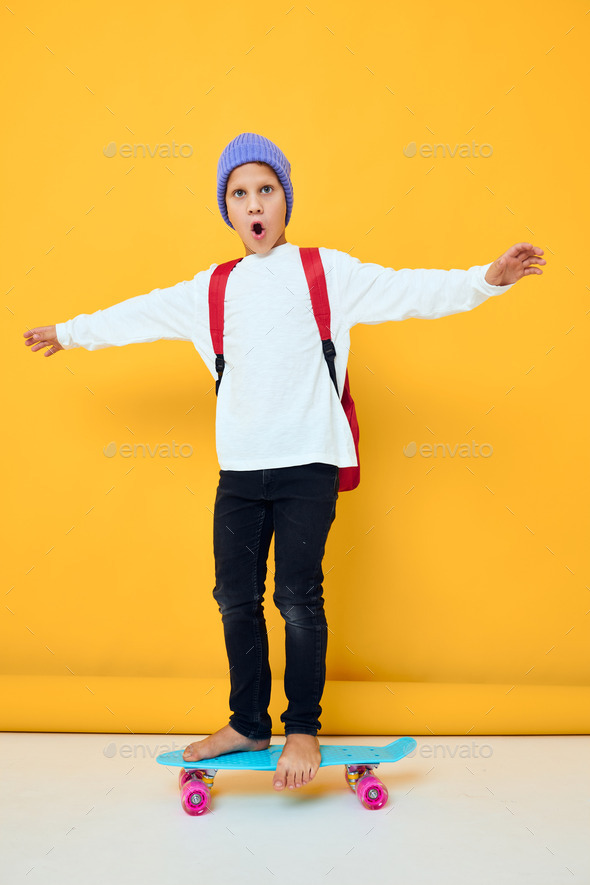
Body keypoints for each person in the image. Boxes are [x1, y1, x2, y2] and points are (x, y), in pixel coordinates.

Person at [23, 131, 546, 792]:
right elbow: (138, 314)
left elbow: (412, 290)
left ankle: (302, 726)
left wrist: (486, 280)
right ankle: (248, 721)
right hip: (240, 472)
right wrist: (70, 333)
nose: (254, 203)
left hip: (309, 465)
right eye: (239, 194)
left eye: (265, 188)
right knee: (234, 595)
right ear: (228, 211)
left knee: (297, 594)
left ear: (284, 199)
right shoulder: (211, 288)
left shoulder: (327, 273)